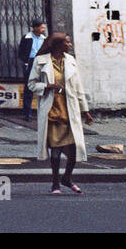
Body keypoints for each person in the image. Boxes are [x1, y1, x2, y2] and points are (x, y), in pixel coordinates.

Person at [28, 32, 93, 194]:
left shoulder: (71, 61)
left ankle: (67, 178)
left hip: (69, 111)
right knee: (55, 152)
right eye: (68, 42)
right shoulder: (40, 61)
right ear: (58, 45)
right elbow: (31, 84)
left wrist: (85, 110)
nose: (70, 45)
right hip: (52, 112)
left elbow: (78, 88)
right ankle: (55, 184)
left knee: (74, 150)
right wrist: (47, 86)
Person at [16, 18, 48, 122]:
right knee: (29, 88)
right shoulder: (27, 37)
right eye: (41, 27)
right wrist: (26, 62)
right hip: (30, 62)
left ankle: (42, 112)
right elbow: (21, 52)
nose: (43, 29)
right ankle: (27, 113)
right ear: (35, 27)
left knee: (43, 86)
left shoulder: (44, 39)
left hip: (41, 62)